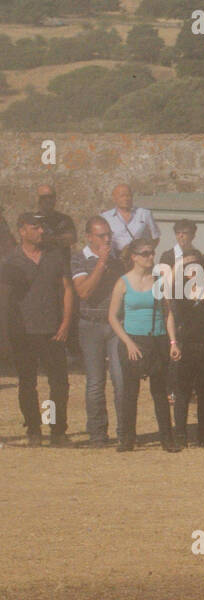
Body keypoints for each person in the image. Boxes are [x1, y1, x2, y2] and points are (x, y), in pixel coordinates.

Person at [1, 212, 74, 446]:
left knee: (59, 383)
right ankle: (33, 429)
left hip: (53, 330)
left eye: (42, 227)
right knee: (27, 383)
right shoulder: (11, 261)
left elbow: (68, 289)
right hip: (23, 332)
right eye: (35, 227)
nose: (41, 231)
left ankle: (57, 429)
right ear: (22, 231)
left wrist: (65, 323)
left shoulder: (55, 256)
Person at [108, 238, 180, 452]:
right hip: (133, 340)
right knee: (130, 392)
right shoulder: (123, 282)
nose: (151, 257)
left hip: (156, 339)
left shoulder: (159, 281)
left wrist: (173, 341)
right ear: (134, 257)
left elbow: (168, 313)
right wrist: (128, 343)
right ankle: (127, 439)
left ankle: (167, 439)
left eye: (152, 253)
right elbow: (112, 317)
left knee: (160, 392)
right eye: (146, 253)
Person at [71, 217, 125, 447]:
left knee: (121, 379)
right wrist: (102, 262)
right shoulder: (79, 258)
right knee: (95, 381)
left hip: (115, 324)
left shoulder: (117, 259)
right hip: (90, 324)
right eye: (101, 235)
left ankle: (125, 432)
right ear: (89, 237)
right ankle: (97, 434)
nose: (106, 239)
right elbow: (84, 292)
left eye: (108, 235)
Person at [167, 244, 204, 448]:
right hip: (185, 345)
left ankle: (203, 435)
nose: (192, 270)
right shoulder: (178, 291)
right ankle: (180, 434)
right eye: (188, 267)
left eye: (196, 266)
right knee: (182, 392)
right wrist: (173, 342)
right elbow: (170, 316)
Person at [101, 184, 160, 253]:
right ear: (114, 198)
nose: (126, 199)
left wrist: (146, 253)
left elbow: (155, 238)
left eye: (128, 195)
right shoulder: (105, 217)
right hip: (116, 259)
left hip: (139, 258)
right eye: (122, 196)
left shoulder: (145, 214)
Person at [34, 184, 75, 267]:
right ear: (38, 199)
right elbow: (33, 241)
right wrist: (60, 239)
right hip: (41, 267)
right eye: (44, 197)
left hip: (63, 266)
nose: (48, 200)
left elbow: (71, 239)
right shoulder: (33, 220)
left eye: (51, 197)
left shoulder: (65, 219)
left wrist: (48, 239)